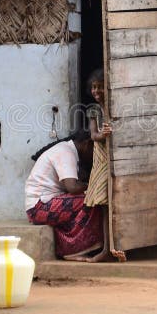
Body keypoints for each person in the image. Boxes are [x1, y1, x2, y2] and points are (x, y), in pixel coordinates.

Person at [25, 130, 103, 260]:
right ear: (88, 144)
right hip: (39, 207)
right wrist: (95, 185)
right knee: (94, 199)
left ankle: (70, 247)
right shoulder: (65, 153)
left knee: (87, 199)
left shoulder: (67, 151)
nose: (95, 156)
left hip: (42, 205)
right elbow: (72, 187)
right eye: (95, 151)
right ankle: (76, 249)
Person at [83, 69, 113, 262]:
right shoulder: (93, 110)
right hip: (102, 158)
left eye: (100, 86)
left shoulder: (115, 106)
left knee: (115, 203)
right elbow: (94, 135)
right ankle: (106, 249)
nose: (96, 91)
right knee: (104, 205)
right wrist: (104, 135)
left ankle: (114, 247)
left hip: (117, 158)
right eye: (94, 87)